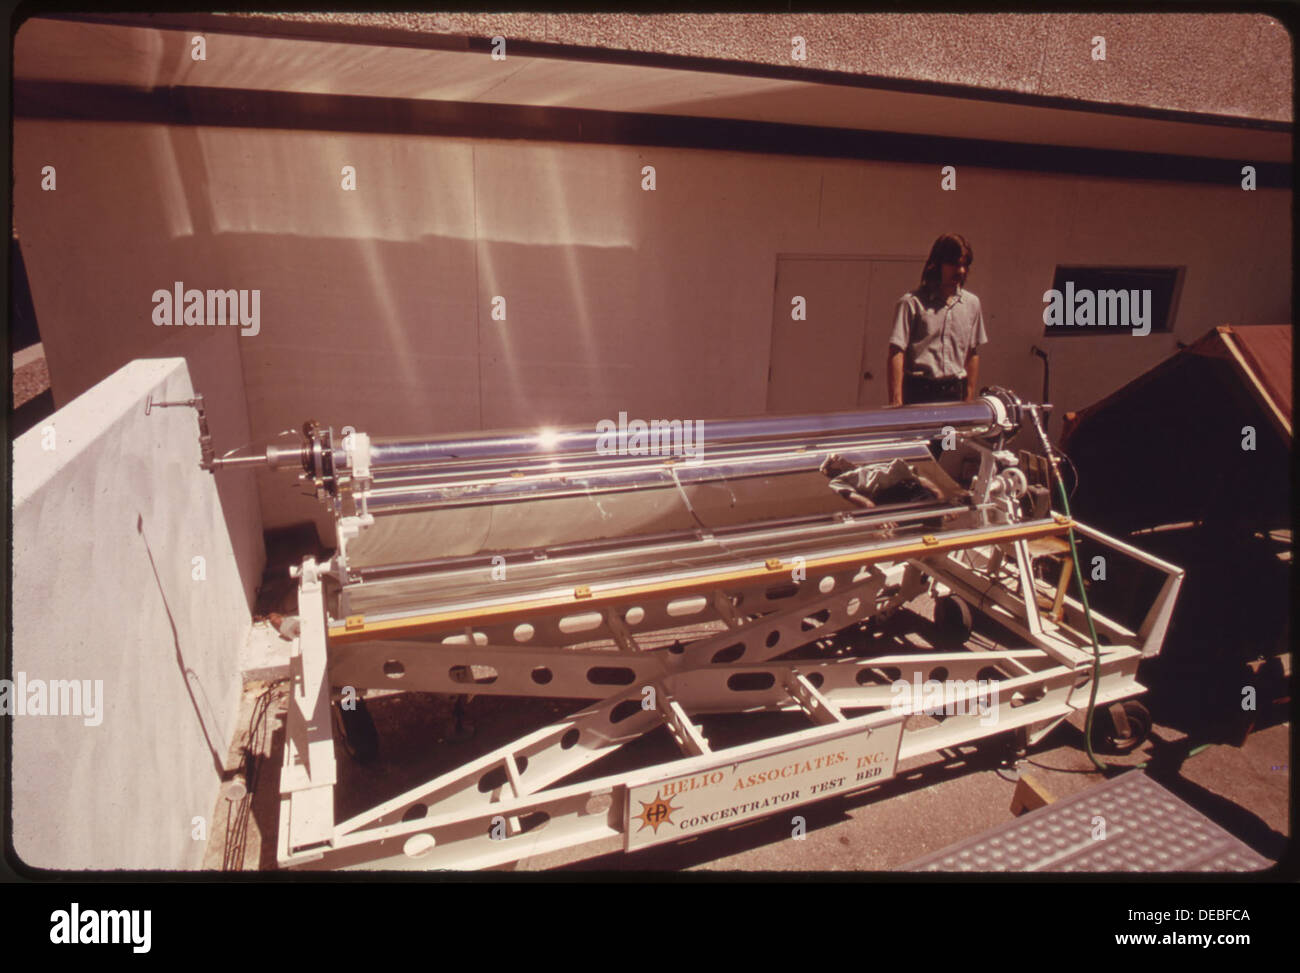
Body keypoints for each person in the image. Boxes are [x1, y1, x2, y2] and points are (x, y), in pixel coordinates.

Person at [887, 234, 987, 406]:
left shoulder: (972, 304)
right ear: (938, 263)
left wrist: (969, 397)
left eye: (964, 265)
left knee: (949, 434)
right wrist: (896, 401)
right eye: (955, 264)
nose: (961, 271)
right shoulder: (911, 303)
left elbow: (972, 353)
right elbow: (896, 352)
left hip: (955, 392)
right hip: (920, 391)